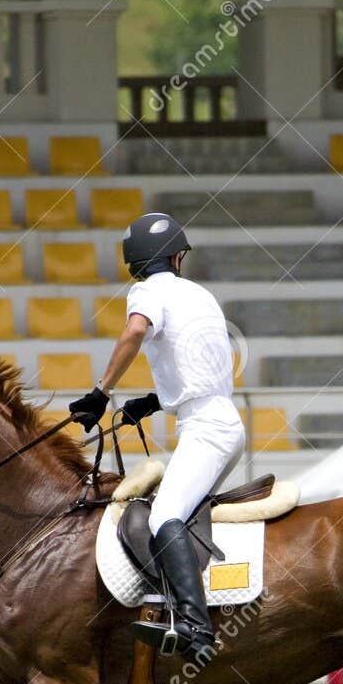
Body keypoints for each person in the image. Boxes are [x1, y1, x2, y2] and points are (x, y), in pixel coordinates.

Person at [68, 213, 245, 659]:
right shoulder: (200, 295)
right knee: (180, 514)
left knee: (163, 514)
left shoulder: (147, 291)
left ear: (137, 263)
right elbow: (199, 368)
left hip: (206, 428)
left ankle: (195, 625)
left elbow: (135, 331)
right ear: (175, 257)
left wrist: (100, 393)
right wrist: (153, 401)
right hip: (218, 418)